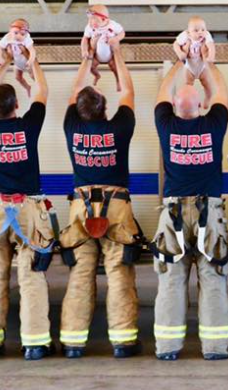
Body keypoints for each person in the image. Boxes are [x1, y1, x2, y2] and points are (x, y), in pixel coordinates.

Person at [58, 43, 142, 358]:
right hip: (116, 206)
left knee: (80, 272)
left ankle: (73, 342)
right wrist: (116, 56)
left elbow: (74, 92)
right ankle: (122, 342)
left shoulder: (72, 127)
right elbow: (129, 91)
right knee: (119, 270)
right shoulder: (119, 127)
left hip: (80, 208)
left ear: (78, 110)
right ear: (104, 108)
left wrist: (87, 61)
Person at [0, 57, 56, 361]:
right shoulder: (28, 126)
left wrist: (3, 65)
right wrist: (31, 65)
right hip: (28, 210)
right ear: (16, 105)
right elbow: (42, 91)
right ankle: (34, 344)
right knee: (31, 275)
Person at [151, 60, 228, 361]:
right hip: (209, 210)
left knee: (171, 280)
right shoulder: (215, 123)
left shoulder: (165, 124)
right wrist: (204, 64)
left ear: (173, 105)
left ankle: (168, 347)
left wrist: (180, 65)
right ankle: (214, 348)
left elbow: (163, 91)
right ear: (203, 104)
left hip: (172, 213)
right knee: (212, 278)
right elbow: (220, 90)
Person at [82, 4, 126, 90]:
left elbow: (122, 33)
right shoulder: (90, 27)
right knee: (91, 67)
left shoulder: (112, 25)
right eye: (89, 19)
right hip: (97, 56)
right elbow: (85, 38)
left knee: (115, 68)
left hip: (110, 56)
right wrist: (84, 50)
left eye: (93, 19)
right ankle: (97, 75)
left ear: (103, 19)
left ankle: (117, 79)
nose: (90, 22)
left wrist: (116, 38)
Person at [0, 18, 37, 96]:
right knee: (18, 77)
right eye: (16, 32)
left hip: (26, 61)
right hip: (18, 63)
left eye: (22, 34)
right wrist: (0, 59)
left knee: (33, 75)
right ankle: (28, 87)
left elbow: (32, 51)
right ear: (10, 31)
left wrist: (30, 60)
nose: (18, 36)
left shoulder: (26, 39)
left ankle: (38, 85)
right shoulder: (8, 37)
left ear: (26, 33)